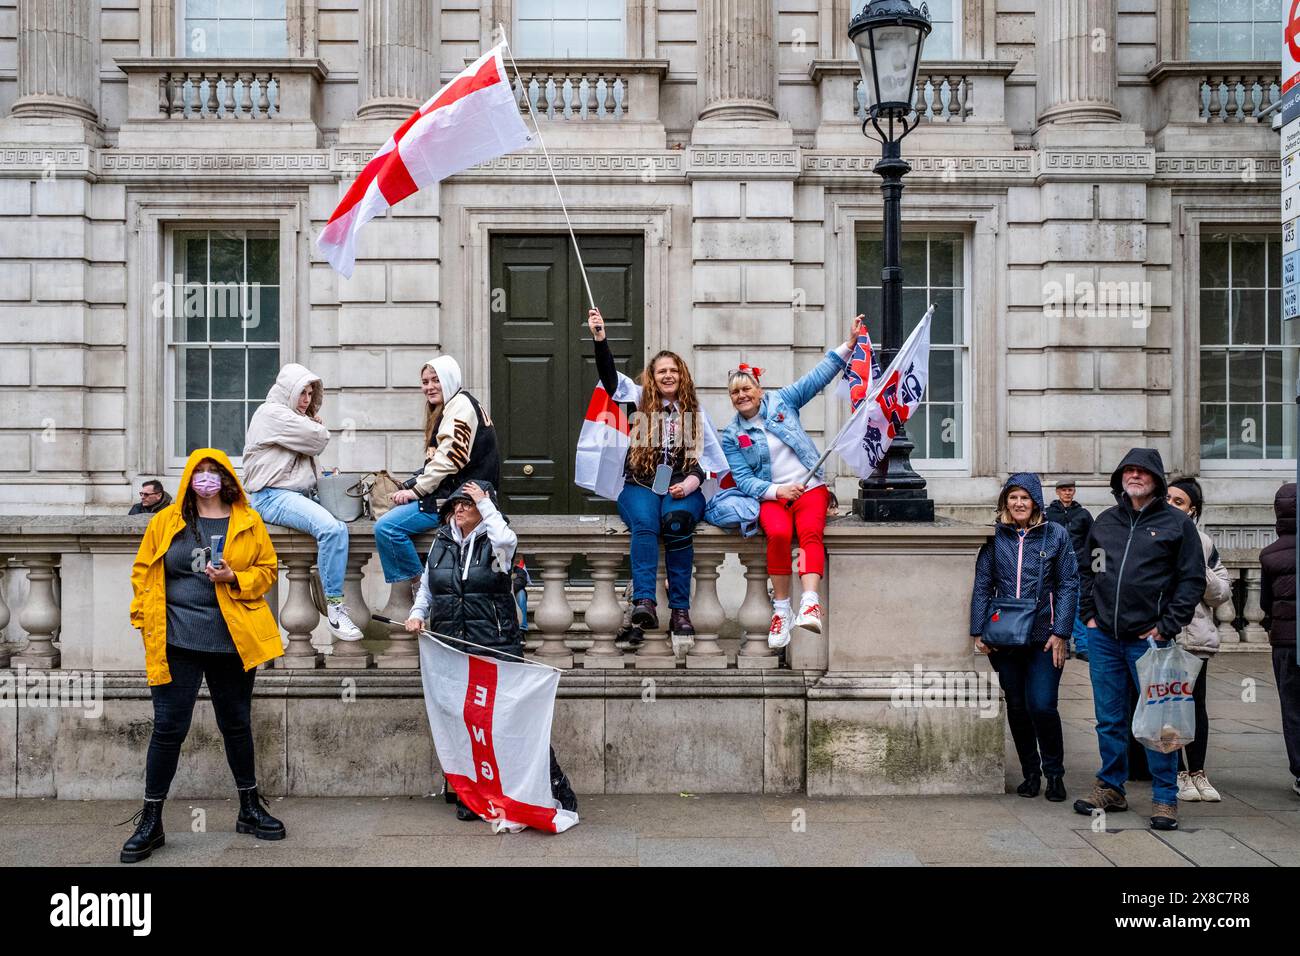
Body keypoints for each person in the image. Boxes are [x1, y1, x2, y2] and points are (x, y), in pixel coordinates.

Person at [122, 448, 286, 863]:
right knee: (168, 728)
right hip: (176, 641)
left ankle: (249, 810)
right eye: (200, 472)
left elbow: (267, 571)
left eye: (215, 472)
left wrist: (236, 577)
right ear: (189, 478)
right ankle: (151, 820)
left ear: (227, 478)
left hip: (231, 640)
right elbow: (143, 570)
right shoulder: (166, 520)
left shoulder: (247, 521)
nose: (207, 479)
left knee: (236, 724)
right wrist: (142, 615)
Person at [404, 480, 576, 820]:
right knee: (465, 719)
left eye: (468, 503)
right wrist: (416, 614)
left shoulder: (496, 542)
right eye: (458, 503)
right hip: (453, 644)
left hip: (494, 643)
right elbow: (428, 587)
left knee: (508, 719)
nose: (460, 508)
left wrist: (485, 503)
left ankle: (555, 783)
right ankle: (475, 795)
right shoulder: (442, 541)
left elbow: (506, 539)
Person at [1073, 448, 1206, 831]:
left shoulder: (1176, 525)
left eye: (1142, 471)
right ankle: (1111, 786)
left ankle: (1165, 798)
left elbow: (1191, 580)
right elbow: (1088, 569)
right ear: (1120, 478)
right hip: (1104, 639)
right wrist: (1089, 615)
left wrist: (1167, 625)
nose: (1134, 476)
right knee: (1109, 718)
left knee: (1160, 721)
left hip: (1150, 641)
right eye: (1128, 470)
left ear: (1156, 479)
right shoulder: (1105, 522)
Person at [719, 316, 865, 648]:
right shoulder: (732, 435)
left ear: (759, 389)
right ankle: (781, 610)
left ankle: (810, 603)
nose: (742, 396)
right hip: (773, 496)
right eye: (735, 392)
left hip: (809, 487)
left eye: (747, 389)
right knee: (780, 534)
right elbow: (743, 479)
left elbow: (815, 379)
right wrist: (776, 491)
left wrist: (849, 345)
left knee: (811, 533)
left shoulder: (782, 402)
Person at [587, 307, 725, 637]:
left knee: (677, 523)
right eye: (661, 371)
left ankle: (680, 611)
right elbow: (609, 379)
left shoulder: (694, 412)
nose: (667, 376)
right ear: (652, 376)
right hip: (640, 484)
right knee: (647, 523)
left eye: (673, 371)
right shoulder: (637, 400)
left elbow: (706, 461)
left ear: (682, 376)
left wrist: (691, 483)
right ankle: (645, 603)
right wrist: (600, 339)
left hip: (683, 486)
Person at [970, 473, 1078, 802]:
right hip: (1005, 638)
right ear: (1006, 502)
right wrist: (979, 630)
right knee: (1017, 706)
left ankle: (1054, 773)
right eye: (1013, 497)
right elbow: (983, 585)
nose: (1019, 503)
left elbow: (1068, 584)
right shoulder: (995, 537)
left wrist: (1061, 632)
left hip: (1044, 636)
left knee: (1042, 705)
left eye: (1025, 498)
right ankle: (1031, 772)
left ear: (1036, 503)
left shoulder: (1055, 535)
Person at [243, 363, 362, 641]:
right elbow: (318, 439)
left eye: (310, 394)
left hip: (295, 495)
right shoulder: (271, 413)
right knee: (331, 529)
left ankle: (326, 581)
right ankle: (335, 610)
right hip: (271, 496)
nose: (307, 400)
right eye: (302, 393)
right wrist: (313, 426)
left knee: (345, 523)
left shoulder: (291, 417)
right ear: (288, 391)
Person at [376, 355, 500, 602]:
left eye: (436, 380)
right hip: (455, 495)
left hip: (459, 501)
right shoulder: (456, 405)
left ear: (450, 379)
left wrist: (416, 491)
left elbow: (449, 460)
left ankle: (423, 587)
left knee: (386, 528)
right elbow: (442, 459)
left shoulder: (461, 408)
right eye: (425, 381)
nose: (429, 387)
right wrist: (411, 483)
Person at [1165, 477, 1230, 803]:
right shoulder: (1154, 537)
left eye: (1179, 502)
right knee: (1169, 705)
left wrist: (1197, 565)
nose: (1171, 505)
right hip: (1166, 637)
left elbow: (1221, 592)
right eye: (1168, 499)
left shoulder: (1203, 543)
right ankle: (1176, 771)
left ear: (1192, 511)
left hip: (1196, 638)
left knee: (1196, 706)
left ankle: (1198, 771)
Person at [1260, 482, 1300, 798]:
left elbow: (1265, 603)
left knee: (1292, 707)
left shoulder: (1270, 555)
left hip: (1285, 642)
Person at [1045, 478, 1093, 660]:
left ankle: (1082, 646)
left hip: (1079, 566)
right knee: (1056, 605)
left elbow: (1092, 539)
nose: (1067, 493)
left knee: (1079, 605)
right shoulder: (1049, 514)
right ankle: (1061, 643)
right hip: (1054, 566)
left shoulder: (1083, 514)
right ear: (1057, 492)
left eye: (1070, 489)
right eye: (1064, 490)